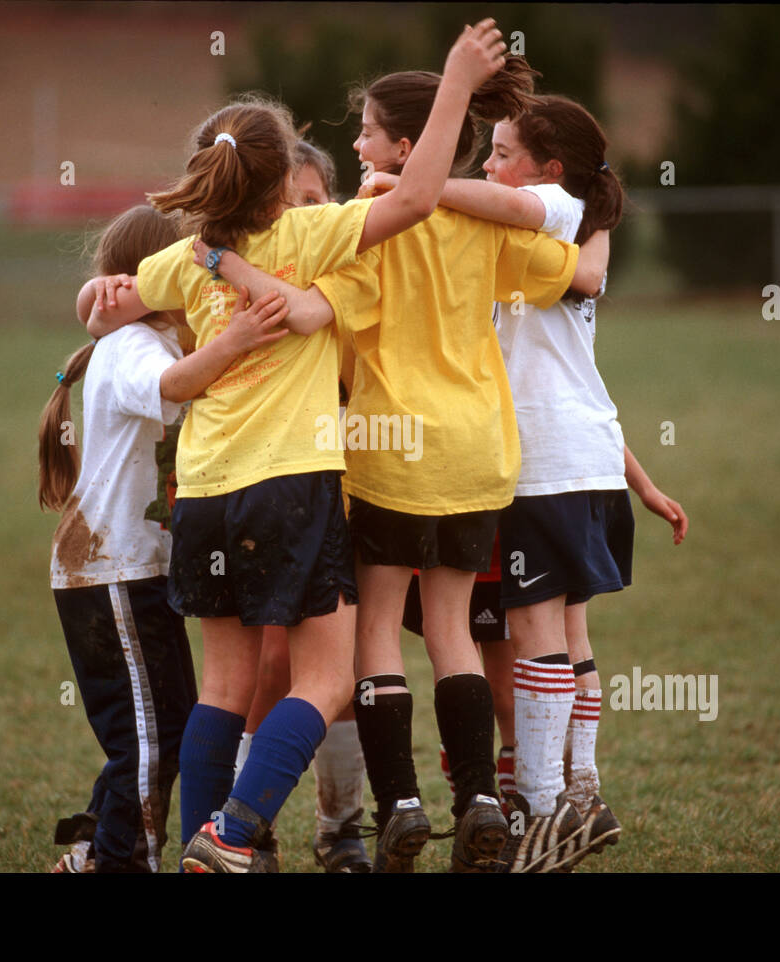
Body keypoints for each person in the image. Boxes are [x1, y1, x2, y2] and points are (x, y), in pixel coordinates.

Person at [81, 19, 516, 873]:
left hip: (203, 492)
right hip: (292, 488)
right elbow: (419, 196)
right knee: (323, 680)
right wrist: (457, 82)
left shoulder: (185, 256)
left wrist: (98, 296)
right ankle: (235, 832)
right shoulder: (310, 236)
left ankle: (202, 854)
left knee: (224, 688)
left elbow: (115, 304)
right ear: (285, 182)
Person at [202, 72, 610, 873]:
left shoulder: (366, 230)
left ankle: (401, 806)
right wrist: (605, 224)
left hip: (391, 454)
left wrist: (224, 267)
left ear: (404, 147)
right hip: (478, 455)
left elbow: (312, 312)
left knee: (379, 631)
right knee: (453, 633)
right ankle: (479, 803)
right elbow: (577, 275)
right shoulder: (480, 224)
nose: (356, 146)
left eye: (367, 133)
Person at [372, 94, 689, 871]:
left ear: (549, 169)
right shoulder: (561, 236)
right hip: (583, 458)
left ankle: (545, 810)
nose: (488, 162)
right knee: (570, 640)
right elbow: (577, 376)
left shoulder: (553, 204)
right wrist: (641, 481)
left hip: (542, 464)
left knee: (535, 639)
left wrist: (415, 186)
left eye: (503, 149)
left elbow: (507, 199)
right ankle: (577, 791)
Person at [42, 205, 290, 872]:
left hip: (133, 573)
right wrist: (236, 337)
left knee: (163, 730)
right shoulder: (133, 349)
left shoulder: (142, 337)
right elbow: (173, 385)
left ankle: (94, 851)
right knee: (147, 743)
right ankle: (130, 859)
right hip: (110, 573)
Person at [231, 138, 374, 873]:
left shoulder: (346, 277)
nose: (300, 216)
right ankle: (247, 826)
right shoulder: (234, 278)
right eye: (288, 203)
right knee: (270, 663)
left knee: (334, 666)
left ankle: (341, 827)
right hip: (260, 485)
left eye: (314, 202)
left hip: (341, 481)